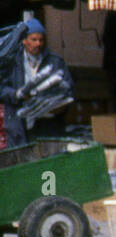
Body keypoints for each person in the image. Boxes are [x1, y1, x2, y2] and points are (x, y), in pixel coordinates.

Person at [0, 19, 74, 147]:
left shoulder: (55, 62)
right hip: (18, 124)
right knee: (20, 163)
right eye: (34, 39)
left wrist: (58, 105)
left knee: (46, 164)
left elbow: (68, 90)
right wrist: (16, 94)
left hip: (47, 125)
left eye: (41, 40)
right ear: (24, 41)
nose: (38, 44)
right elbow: (2, 88)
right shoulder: (11, 62)